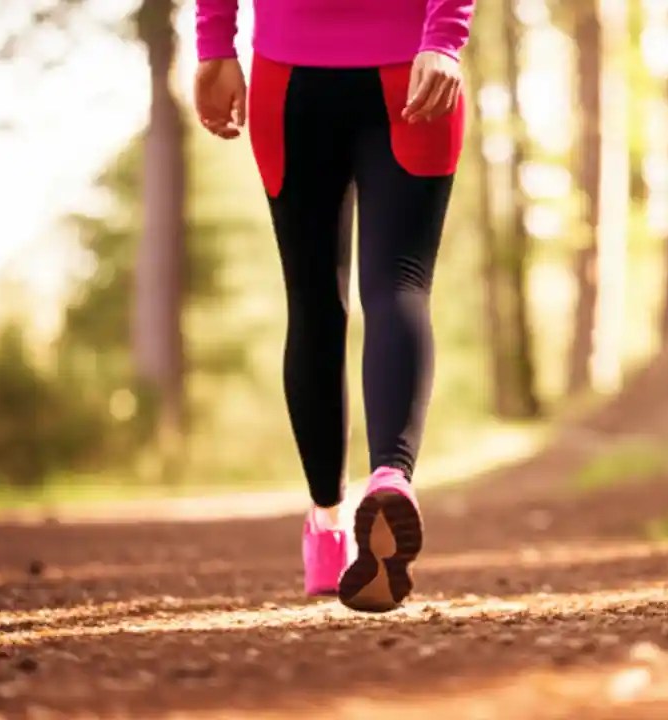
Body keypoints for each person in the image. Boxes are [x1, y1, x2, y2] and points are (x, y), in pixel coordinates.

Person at [193, 0, 473, 612]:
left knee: (315, 301)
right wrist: (445, 37)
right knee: (398, 285)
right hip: (411, 64)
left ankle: (326, 527)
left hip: (289, 76)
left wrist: (215, 43)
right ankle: (391, 477)